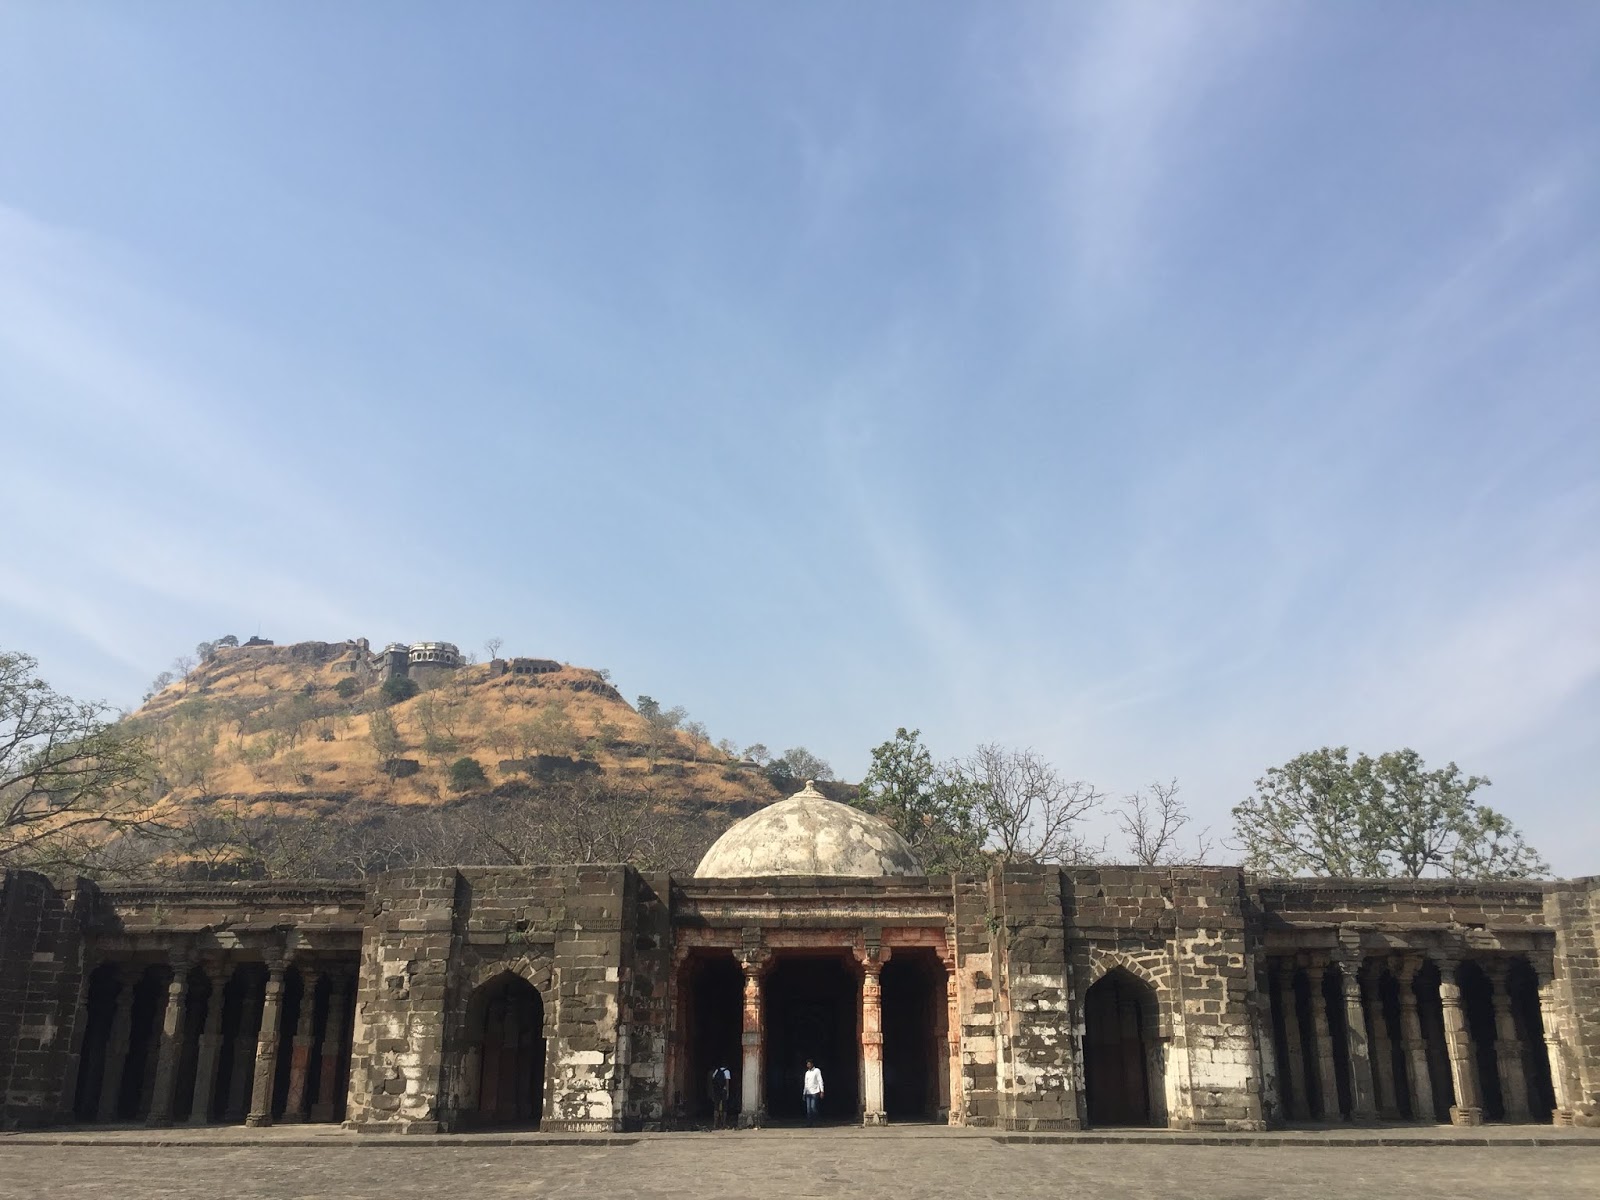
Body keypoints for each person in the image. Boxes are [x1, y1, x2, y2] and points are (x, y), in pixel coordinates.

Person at [708, 1064, 732, 1129]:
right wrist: (727, 1092)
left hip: (717, 1091)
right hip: (723, 1091)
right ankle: (723, 1124)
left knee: (716, 1106)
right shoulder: (727, 1071)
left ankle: (715, 1124)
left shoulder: (716, 1070)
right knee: (724, 1107)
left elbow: (713, 1080)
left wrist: (713, 1091)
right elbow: (727, 1082)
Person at [802, 1058, 824, 1126]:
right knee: (808, 1109)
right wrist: (804, 1093)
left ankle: (817, 1120)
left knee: (813, 1107)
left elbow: (820, 1080)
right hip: (808, 1093)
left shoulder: (817, 1071)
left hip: (815, 1092)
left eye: (809, 1064)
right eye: (807, 1064)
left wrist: (822, 1091)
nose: (808, 1065)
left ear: (812, 1064)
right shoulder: (807, 1073)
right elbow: (806, 1083)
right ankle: (809, 1123)